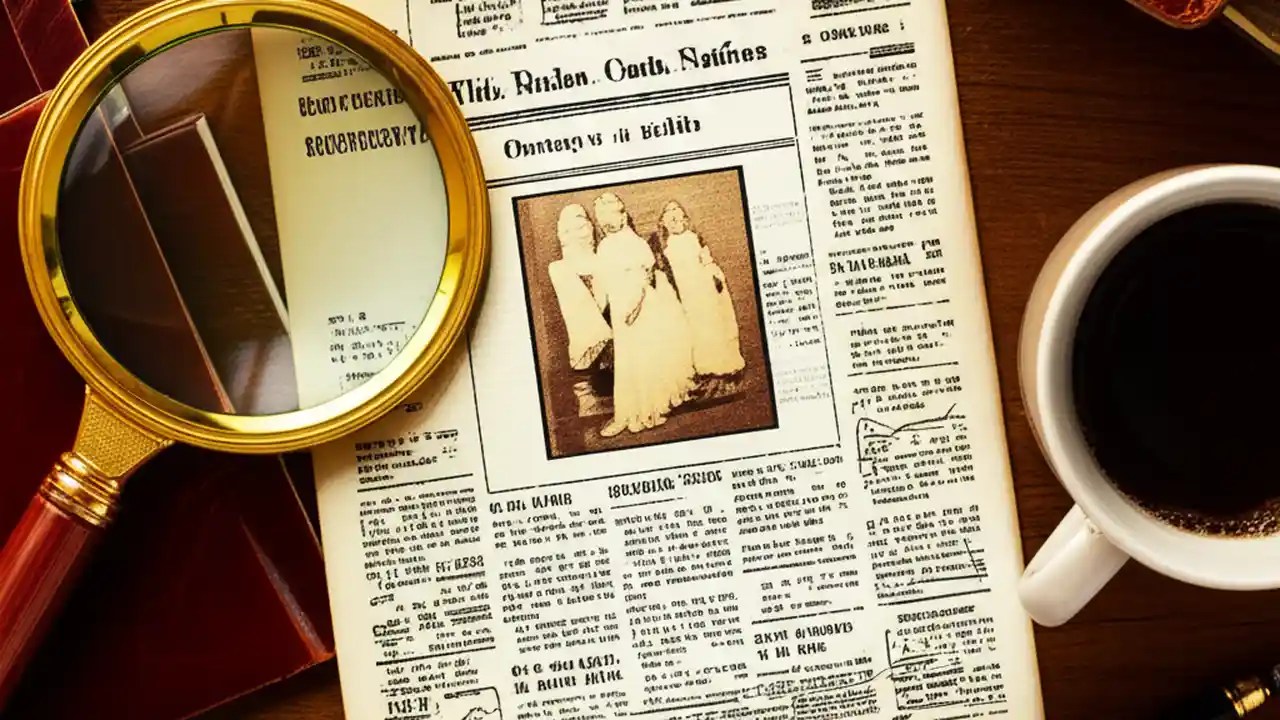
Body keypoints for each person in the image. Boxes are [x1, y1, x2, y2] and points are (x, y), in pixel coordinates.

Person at [592, 192, 695, 437]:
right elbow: (603, 281)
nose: (607, 223)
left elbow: (644, 279)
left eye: (612, 216)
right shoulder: (605, 246)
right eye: (602, 218)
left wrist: (634, 307)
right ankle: (627, 413)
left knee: (643, 357)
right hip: (619, 307)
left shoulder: (635, 243)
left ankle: (648, 411)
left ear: (623, 216)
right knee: (627, 361)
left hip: (639, 306)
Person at [656, 200, 745, 376]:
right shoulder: (666, 247)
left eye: (678, 217)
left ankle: (722, 360)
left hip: (703, 287)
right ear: (663, 223)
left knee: (712, 321)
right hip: (687, 291)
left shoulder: (693, 238)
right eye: (670, 219)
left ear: (685, 219)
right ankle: (704, 364)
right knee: (696, 326)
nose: (675, 223)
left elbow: (706, 260)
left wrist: (714, 276)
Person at [547, 204, 610, 371]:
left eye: (584, 222)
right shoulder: (559, 269)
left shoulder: (604, 261)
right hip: (588, 353)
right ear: (565, 232)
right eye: (576, 226)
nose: (584, 230)